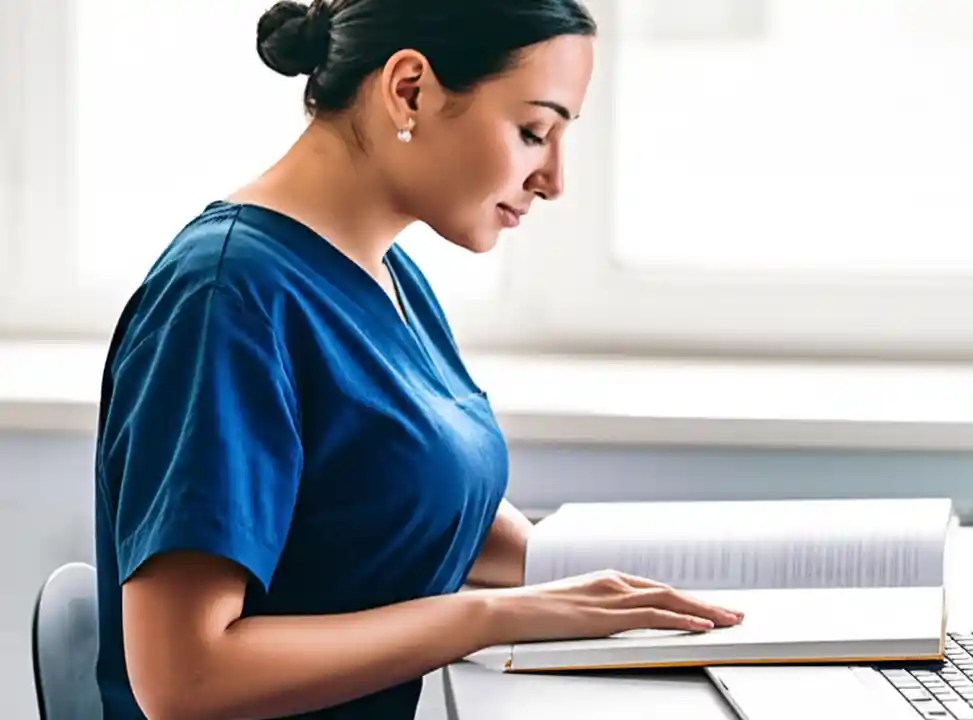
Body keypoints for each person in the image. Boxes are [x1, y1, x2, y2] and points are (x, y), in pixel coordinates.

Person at [92, 1, 743, 717]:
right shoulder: (227, 299)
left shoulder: (387, 275)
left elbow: (414, 501)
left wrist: (639, 587)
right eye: (533, 132)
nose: (553, 179)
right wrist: (493, 616)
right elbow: (185, 680)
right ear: (409, 89)